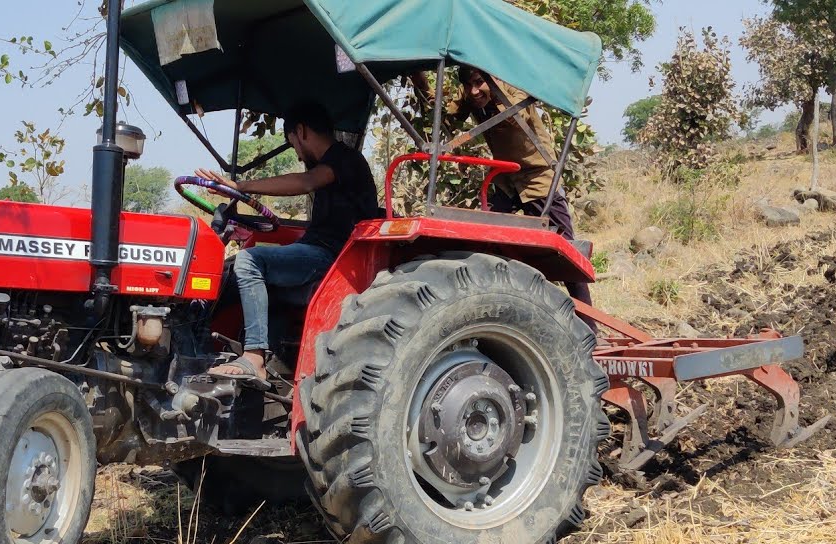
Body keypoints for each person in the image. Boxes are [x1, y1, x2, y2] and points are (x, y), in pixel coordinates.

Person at [195, 102, 378, 382]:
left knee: (249, 260)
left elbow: (305, 182)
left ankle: (254, 356)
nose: (296, 152)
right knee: (229, 272)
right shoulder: (332, 164)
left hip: (333, 258)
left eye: (292, 143)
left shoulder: (345, 159)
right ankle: (199, 348)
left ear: (301, 131)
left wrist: (241, 186)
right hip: (317, 251)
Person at [412, 66, 595, 319]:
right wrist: (420, 81)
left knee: (566, 253)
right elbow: (444, 115)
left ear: (493, 77)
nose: (474, 91)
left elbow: (511, 116)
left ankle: (588, 324)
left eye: (479, 82)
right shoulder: (471, 95)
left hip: (538, 178)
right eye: (468, 85)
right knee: (484, 242)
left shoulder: (514, 88)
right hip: (505, 180)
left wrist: (493, 90)